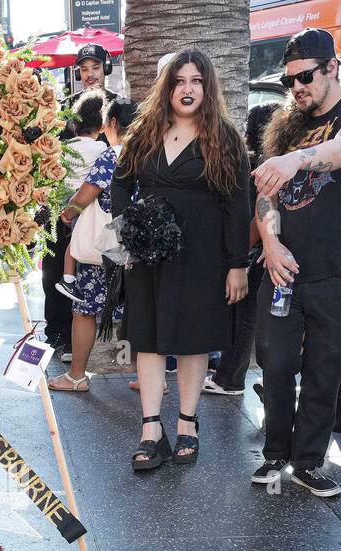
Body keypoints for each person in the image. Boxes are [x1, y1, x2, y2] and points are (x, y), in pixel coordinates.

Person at [252, 29, 341, 497]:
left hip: (338, 268)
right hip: (284, 269)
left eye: (305, 77)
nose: (296, 88)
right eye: (289, 80)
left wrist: (296, 160)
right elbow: (266, 196)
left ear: (332, 67)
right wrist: (270, 243)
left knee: (324, 371)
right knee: (275, 362)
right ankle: (274, 454)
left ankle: (308, 460)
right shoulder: (288, 121)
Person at [112, 50, 251, 472]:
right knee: (148, 341)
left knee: (193, 341)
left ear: (207, 87)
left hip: (203, 258)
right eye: (179, 81)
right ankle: (151, 430)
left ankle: (188, 424)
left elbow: (238, 205)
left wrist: (237, 264)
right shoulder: (146, 132)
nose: (187, 89)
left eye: (196, 81)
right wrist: (128, 231)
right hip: (150, 258)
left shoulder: (224, 137)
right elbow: (121, 185)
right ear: (167, 87)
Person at [47, 98, 139, 391]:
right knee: (143, 311)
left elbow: (85, 197)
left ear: (111, 125)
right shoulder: (151, 154)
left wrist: (68, 212)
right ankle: (151, 378)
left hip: (106, 248)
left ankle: (76, 377)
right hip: (140, 247)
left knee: (84, 310)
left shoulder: (112, 156)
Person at [202, 101, 281, 399]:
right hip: (265, 249)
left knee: (246, 315)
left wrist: (240, 254)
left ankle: (231, 377)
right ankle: (240, 376)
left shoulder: (263, 164)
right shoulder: (269, 161)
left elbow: (256, 216)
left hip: (260, 252)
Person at [43, 89, 112, 360]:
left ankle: (54, 333)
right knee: (80, 284)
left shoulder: (63, 148)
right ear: (104, 126)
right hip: (85, 219)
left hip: (57, 216)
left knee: (53, 276)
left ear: (73, 124)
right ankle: (74, 345)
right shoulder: (104, 150)